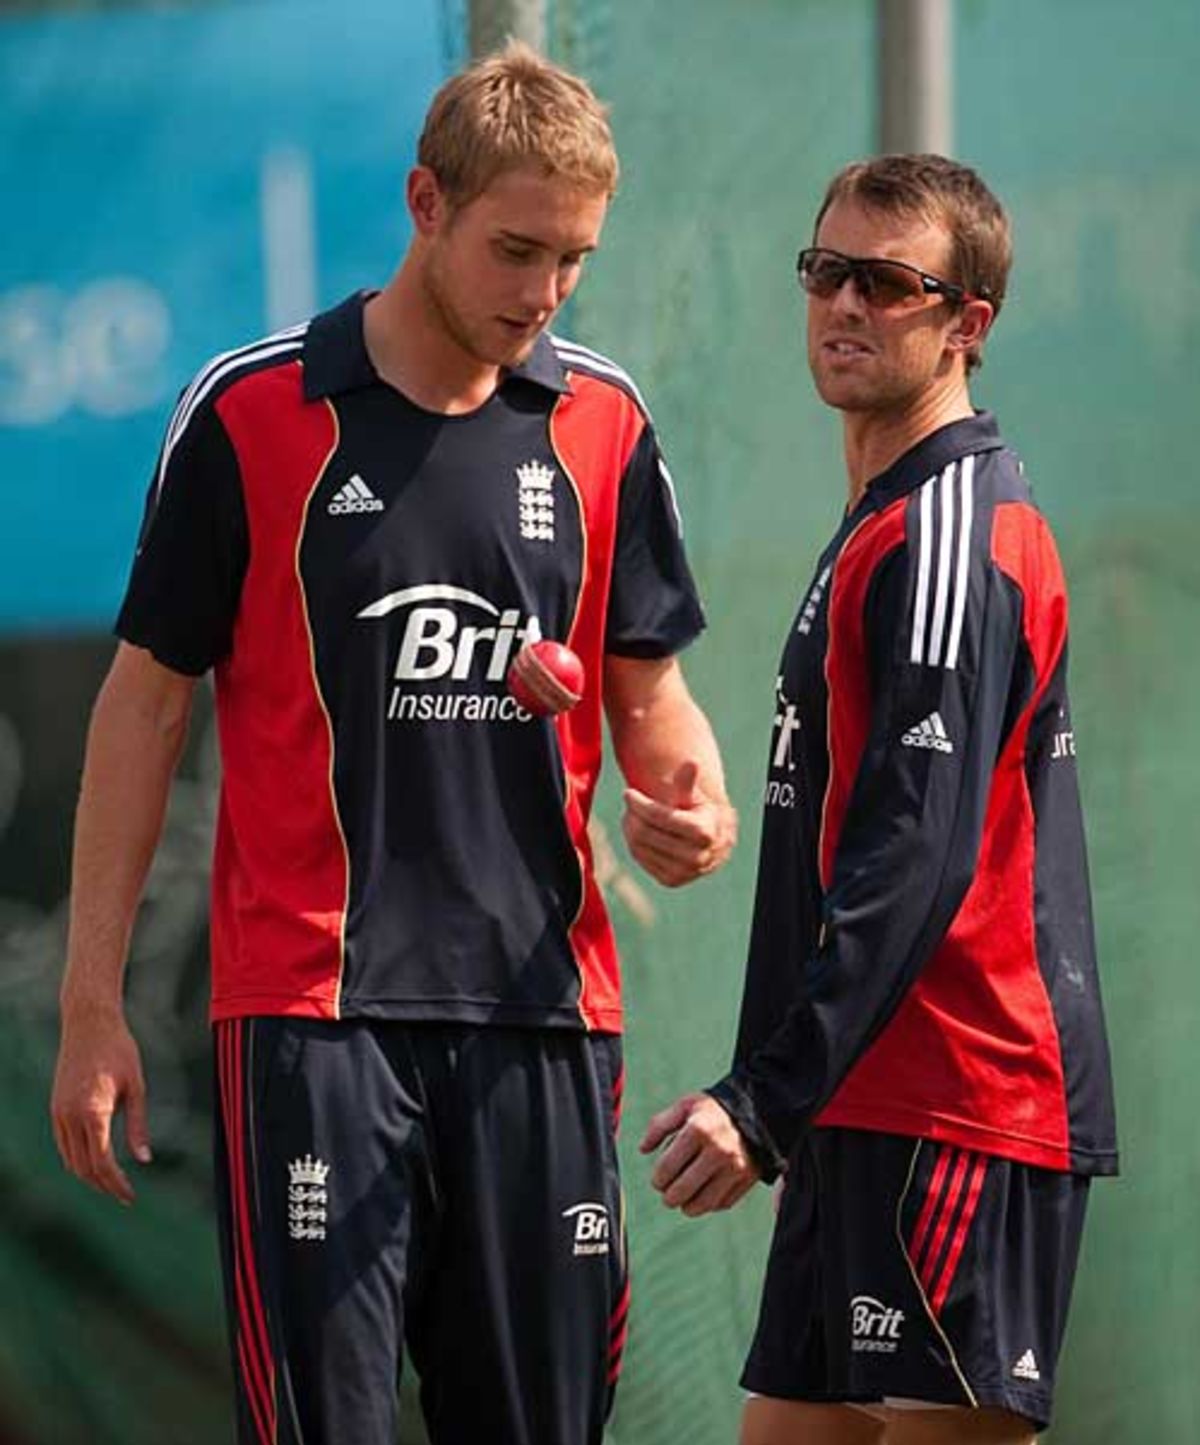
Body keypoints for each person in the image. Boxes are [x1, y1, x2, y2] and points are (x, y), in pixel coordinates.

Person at [50, 42, 736, 1445]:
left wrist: (696, 800)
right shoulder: (251, 410)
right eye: (516, 250)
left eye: (575, 259)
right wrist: (89, 1002)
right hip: (314, 1017)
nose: (543, 292)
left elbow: (653, 692)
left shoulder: (605, 421)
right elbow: (143, 706)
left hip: (544, 1019)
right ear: (426, 203)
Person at [641, 154, 1118, 1445]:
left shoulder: (953, 529)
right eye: (827, 271)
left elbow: (917, 851)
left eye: (889, 283)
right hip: (854, 1106)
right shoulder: (880, 519)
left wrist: (761, 1101)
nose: (846, 303)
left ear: (967, 322)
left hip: (958, 1102)